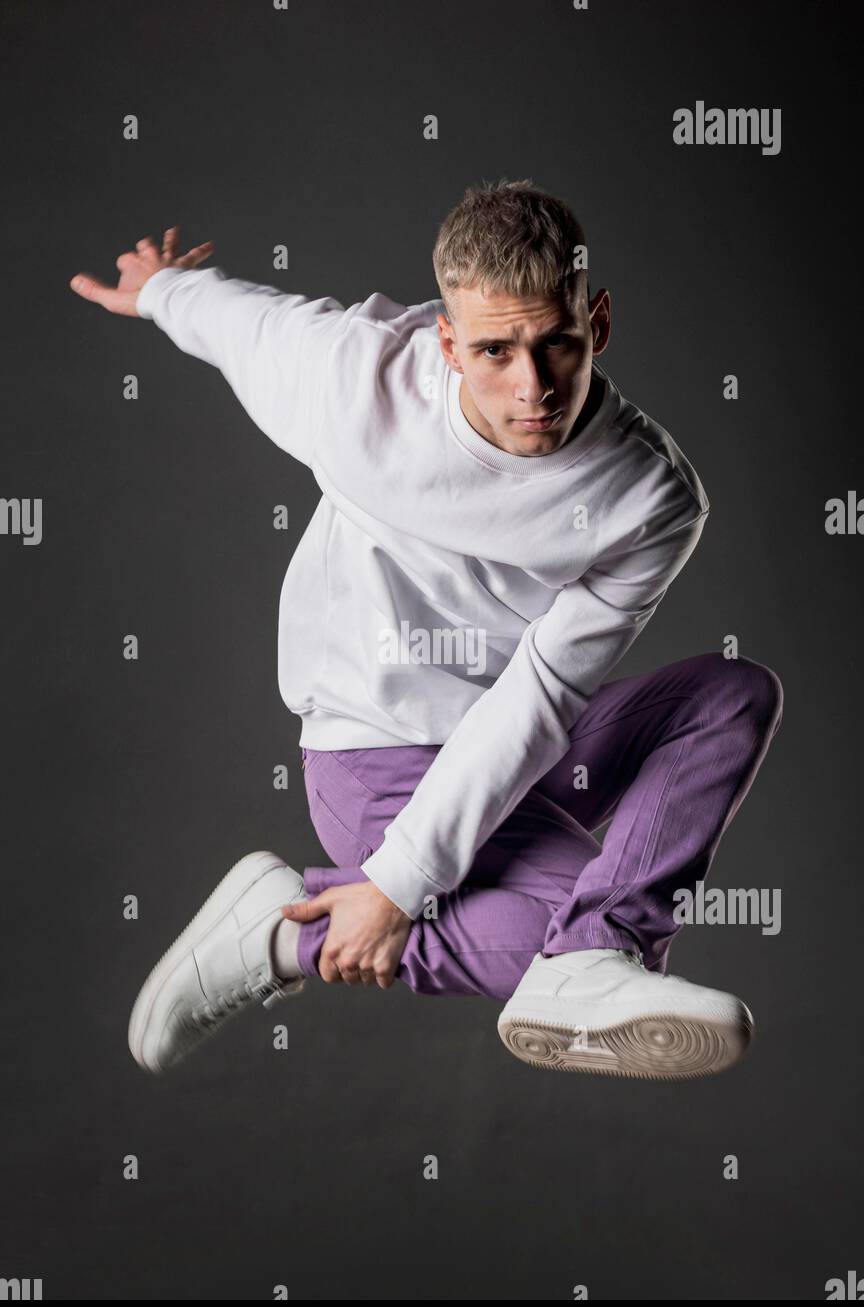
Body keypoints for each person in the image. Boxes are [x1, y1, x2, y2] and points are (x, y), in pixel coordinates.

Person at [70, 179, 783, 1081]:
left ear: (596, 322)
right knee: (558, 943)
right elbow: (244, 323)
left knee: (734, 693)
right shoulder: (354, 381)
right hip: (373, 755)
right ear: (447, 343)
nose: (534, 388)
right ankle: (290, 931)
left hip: (512, 746)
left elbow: (541, 694)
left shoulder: (648, 497)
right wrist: (165, 291)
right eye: (494, 351)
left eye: (556, 342)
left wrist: (407, 888)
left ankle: (579, 956)